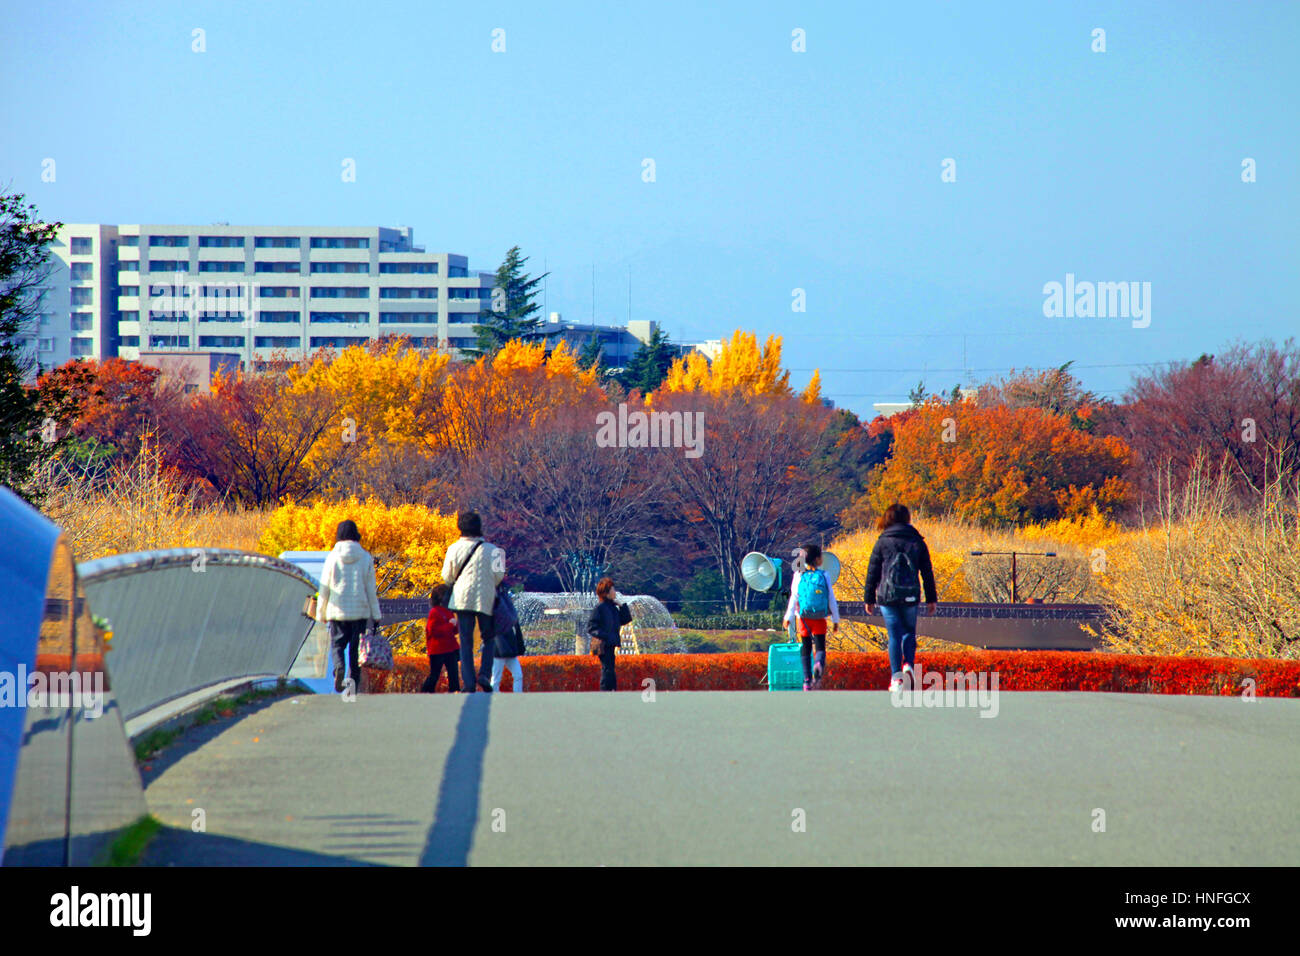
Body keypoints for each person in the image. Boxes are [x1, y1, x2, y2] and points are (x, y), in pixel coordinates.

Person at [864, 504, 938, 692]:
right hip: (910, 594)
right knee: (909, 632)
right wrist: (931, 598)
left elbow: (872, 571)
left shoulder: (882, 542)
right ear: (907, 518)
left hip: (887, 596)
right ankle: (909, 665)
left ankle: (896, 678)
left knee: (894, 635)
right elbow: (927, 572)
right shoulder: (917, 541)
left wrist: (869, 598)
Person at [440, 511, 505, 693]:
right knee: (489, 638)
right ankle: (484, 674)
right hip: (486, 598)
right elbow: (499, 576)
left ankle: (468, 684)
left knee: (466, 642)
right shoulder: (495, 551)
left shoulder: (453, 549)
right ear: (479, 527)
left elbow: (446, 577)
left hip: (462, 599)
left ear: (460, 527)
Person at [315, 519, 382, 694]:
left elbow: (324, 586)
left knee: (337, 645)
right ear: (356, 534)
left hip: (337, 611)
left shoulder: (332, 557)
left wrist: (320, 612)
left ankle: (339, 667)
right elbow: (370, 589)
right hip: (359, 611)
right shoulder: (365, 557)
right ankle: (352, 686)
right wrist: (376, 614)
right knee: (355, 650)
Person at [783, 544, 840, 690]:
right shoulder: (824, 575)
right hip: (820, 617)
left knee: (806, 647)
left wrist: (788, 617)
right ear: (818, 559)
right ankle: (818, 665)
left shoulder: (798, 575)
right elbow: (831, 599)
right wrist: (835, 620)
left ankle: (807, 680)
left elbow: (794, 597)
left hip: (803, 618)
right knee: (820, 647)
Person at [587, 577, 631, 692]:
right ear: (606, 592)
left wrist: (622, 607)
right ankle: (606, 692)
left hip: (611, 643)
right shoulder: (600, 608)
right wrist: (605, 635)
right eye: (612, 589)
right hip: (603, 644)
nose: (615, 592)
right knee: (607, 670)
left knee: (610, 669)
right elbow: (591, 627)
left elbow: (624, 620)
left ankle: (612, 691)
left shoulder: (613, 608)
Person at [421, 584, 460, 693]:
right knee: (435, 674)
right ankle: (426, 691)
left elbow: (455, 631)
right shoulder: (435, 612)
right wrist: (450, 625)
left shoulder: (449, 611)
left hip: (449, 648)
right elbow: (434, 631)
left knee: (453, 673)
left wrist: (455, 625)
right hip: (437, 649)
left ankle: (455, 691)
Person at [491, 609, 526, 693]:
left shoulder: (512, 617)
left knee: (518, 675)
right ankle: (493, 697)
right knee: (496, 678)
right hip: (498, 653)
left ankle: (517, 697)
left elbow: (518, 634)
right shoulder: (497, 615)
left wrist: (519, 648)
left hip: (510, 652)